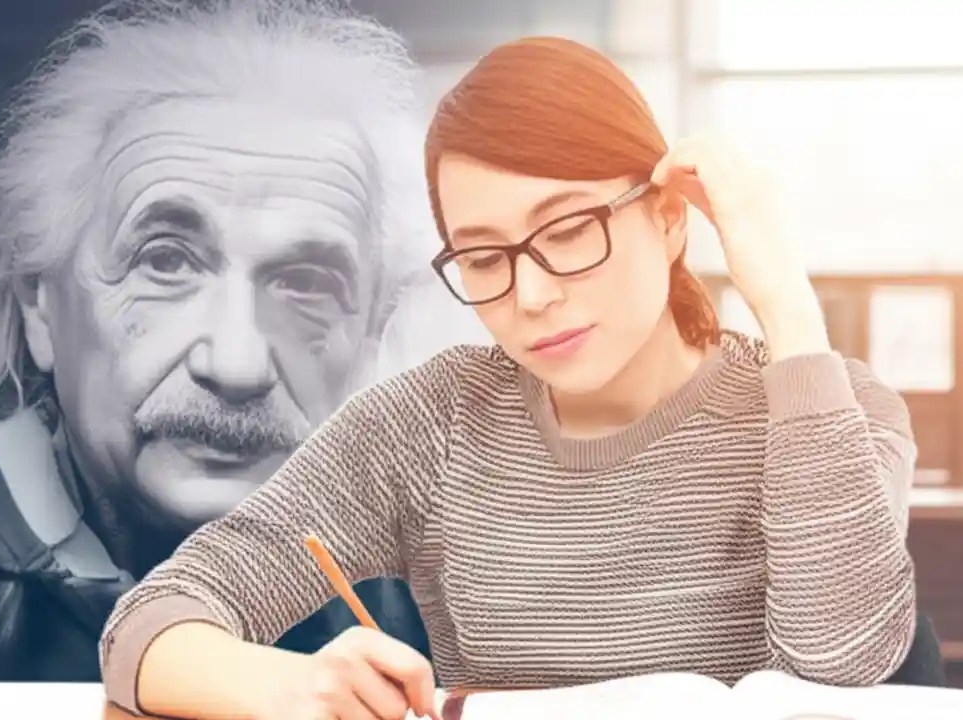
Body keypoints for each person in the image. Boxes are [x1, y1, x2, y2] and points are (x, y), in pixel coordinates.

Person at [98, 36, 919, 720]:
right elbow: (147, 629)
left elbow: (840, 672)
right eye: (486, 257)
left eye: (566, 232)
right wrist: (290, 684)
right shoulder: (433, 422)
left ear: (669, 219)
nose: (531, 296)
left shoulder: (830, 408)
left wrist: (785, 306)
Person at [0, 0, 437, 682]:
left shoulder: (433, 595)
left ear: (373, 329)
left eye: (304, 283)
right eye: (165, 261)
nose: (235, 363)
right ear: (39, 306)